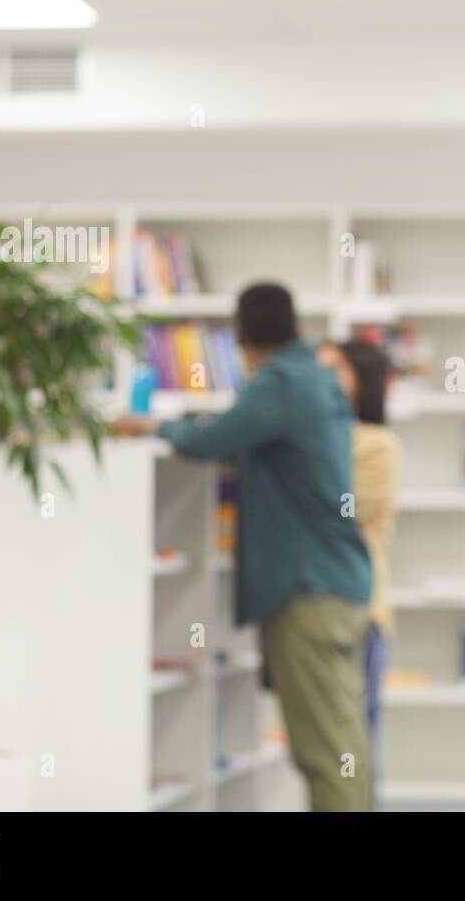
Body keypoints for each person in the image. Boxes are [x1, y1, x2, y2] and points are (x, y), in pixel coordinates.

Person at [115, 283, 373, 812]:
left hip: (307, 590)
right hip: (338, 583)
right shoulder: (319, 380)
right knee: (343, 745)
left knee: (323, 756)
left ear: (241, 336)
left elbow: (211, 439)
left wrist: (149, 424)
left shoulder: (279, 381)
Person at [316, 339, 402, 804]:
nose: (320, 380)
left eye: (334, 370)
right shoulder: (322, 439)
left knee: (354, 748)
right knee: (332, 753)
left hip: (361, 614)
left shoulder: (375, 444)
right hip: (323, 612)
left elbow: (336, 511)